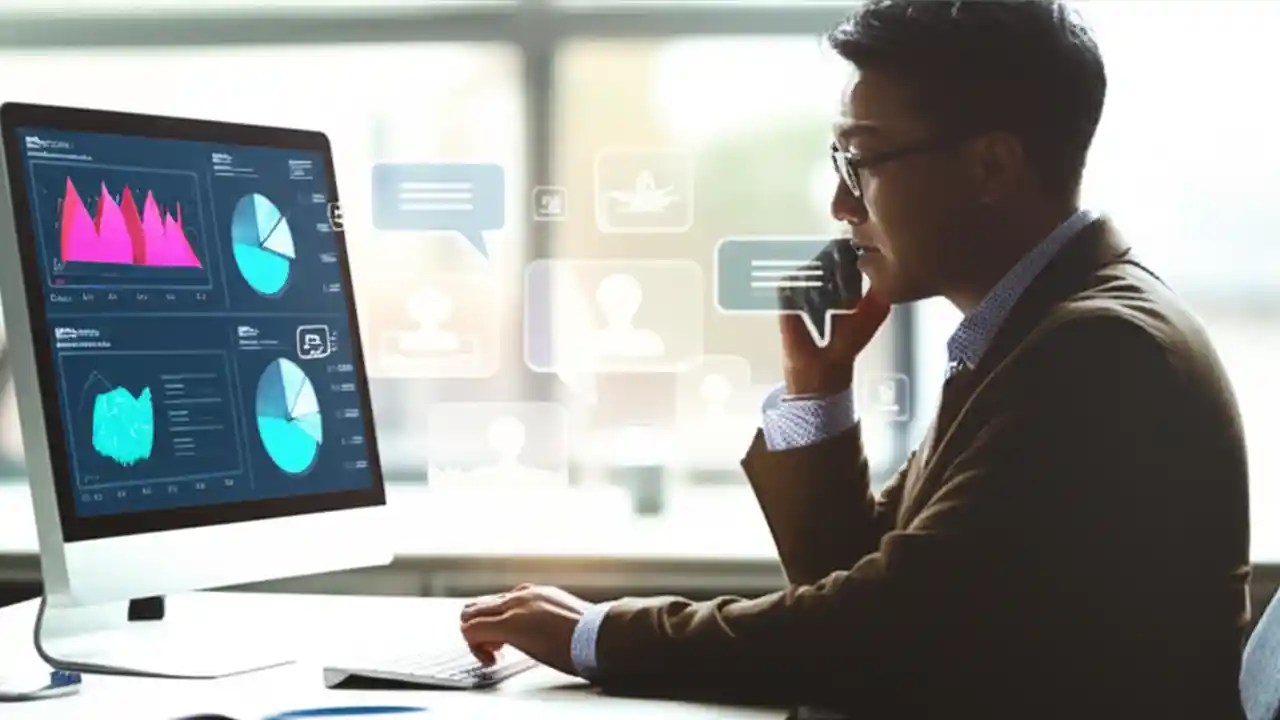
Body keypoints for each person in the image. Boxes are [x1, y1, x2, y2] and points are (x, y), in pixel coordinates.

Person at [459, 1, 1252, 717]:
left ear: (992, 166)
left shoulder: (1098, 354)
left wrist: (599, 634)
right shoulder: (1034, 333)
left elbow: (875, 632)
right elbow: (869, 586)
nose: (841, 205)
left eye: (861, 162)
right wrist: (818, 390)